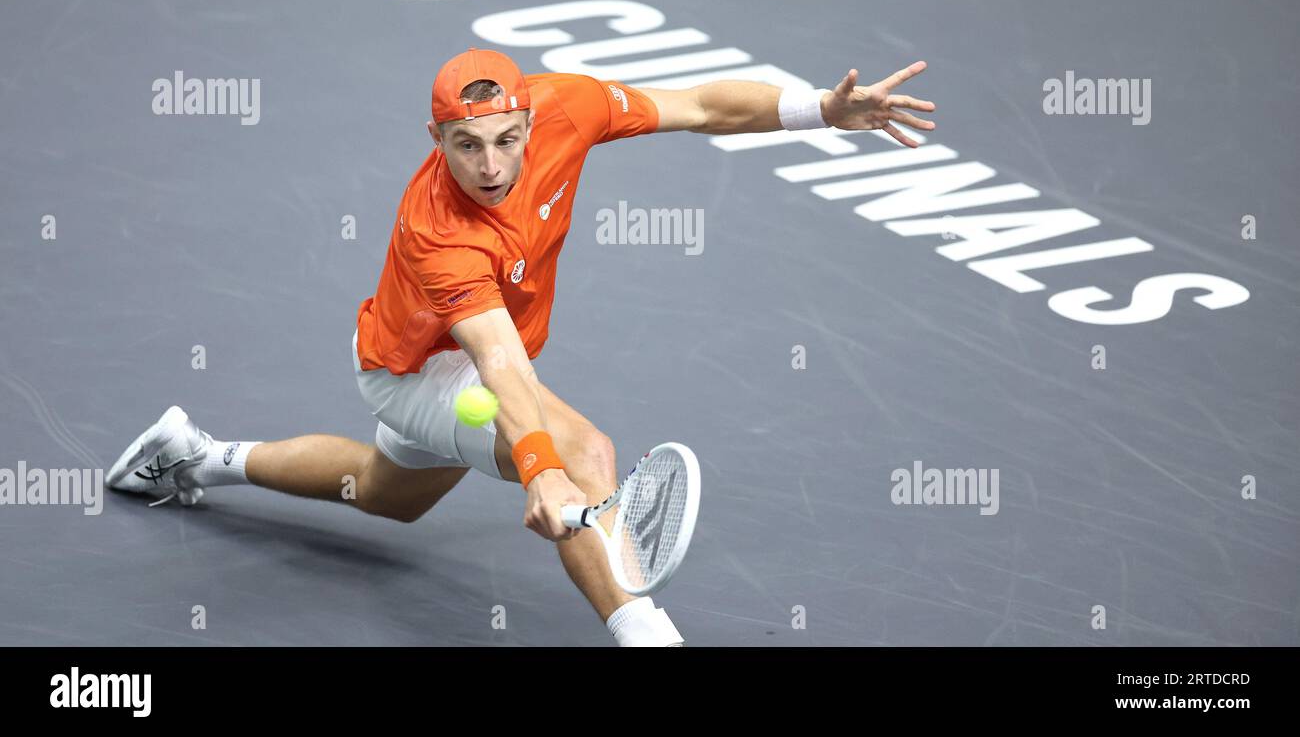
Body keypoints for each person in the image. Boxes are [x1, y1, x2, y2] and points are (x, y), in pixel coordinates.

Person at [107, 47, 935, 646]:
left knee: (389, 494)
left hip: (417, 358)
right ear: (436, 139)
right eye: (466, 146)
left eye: (507, 139)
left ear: (531, 118)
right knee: (586, 453)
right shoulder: (439, 231)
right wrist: (541, 468)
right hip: (422, 371)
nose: (492, 164)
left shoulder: (569, 106)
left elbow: (702, 107)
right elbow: (498, 362)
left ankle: (194, 455)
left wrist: (819, 110)